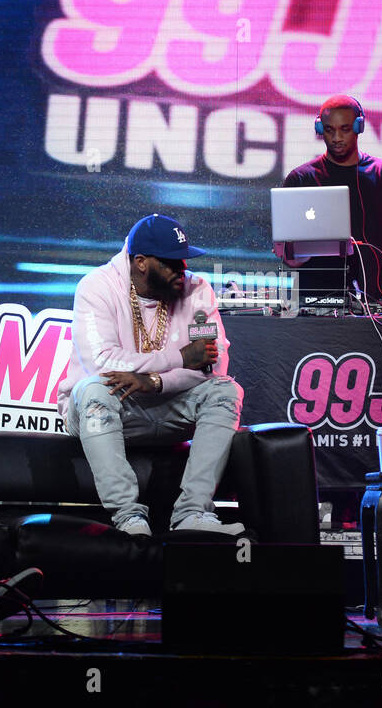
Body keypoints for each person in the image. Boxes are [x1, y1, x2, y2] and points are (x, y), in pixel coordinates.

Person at [58, 214, 245, 537]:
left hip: (168, 405)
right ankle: (128, 516)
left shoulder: (197, 291)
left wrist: (156, 382)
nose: (182, 269)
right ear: (141, 262)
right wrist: (179, 358)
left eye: (184, 260)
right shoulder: (97, 287)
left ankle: (192, 513)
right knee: (94, 390)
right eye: (171, 263)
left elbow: (212, 366)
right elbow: (102, 363)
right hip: (112, 409)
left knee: (226, 391)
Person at [280, 95, 382, 302]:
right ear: (320, 128)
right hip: (313, 310)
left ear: (360, 126)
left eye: (345, 129)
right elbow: (290, 258)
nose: (336, 138)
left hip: (371, 309)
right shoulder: (301, 178)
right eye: (329, 130)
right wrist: (299, 254)